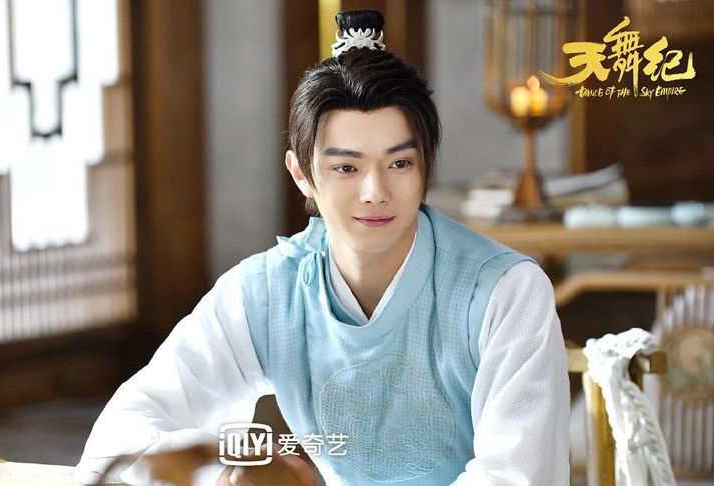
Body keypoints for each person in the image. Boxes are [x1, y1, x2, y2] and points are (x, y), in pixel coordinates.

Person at [75, 9, 569, 486]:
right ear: (302, 174)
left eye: (399, 164)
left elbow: (519, 476)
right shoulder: (267, 293)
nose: (374, 191)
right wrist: (218, 475)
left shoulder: (506, 293)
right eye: (346, 167)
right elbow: (122, 434)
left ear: (427, 164)